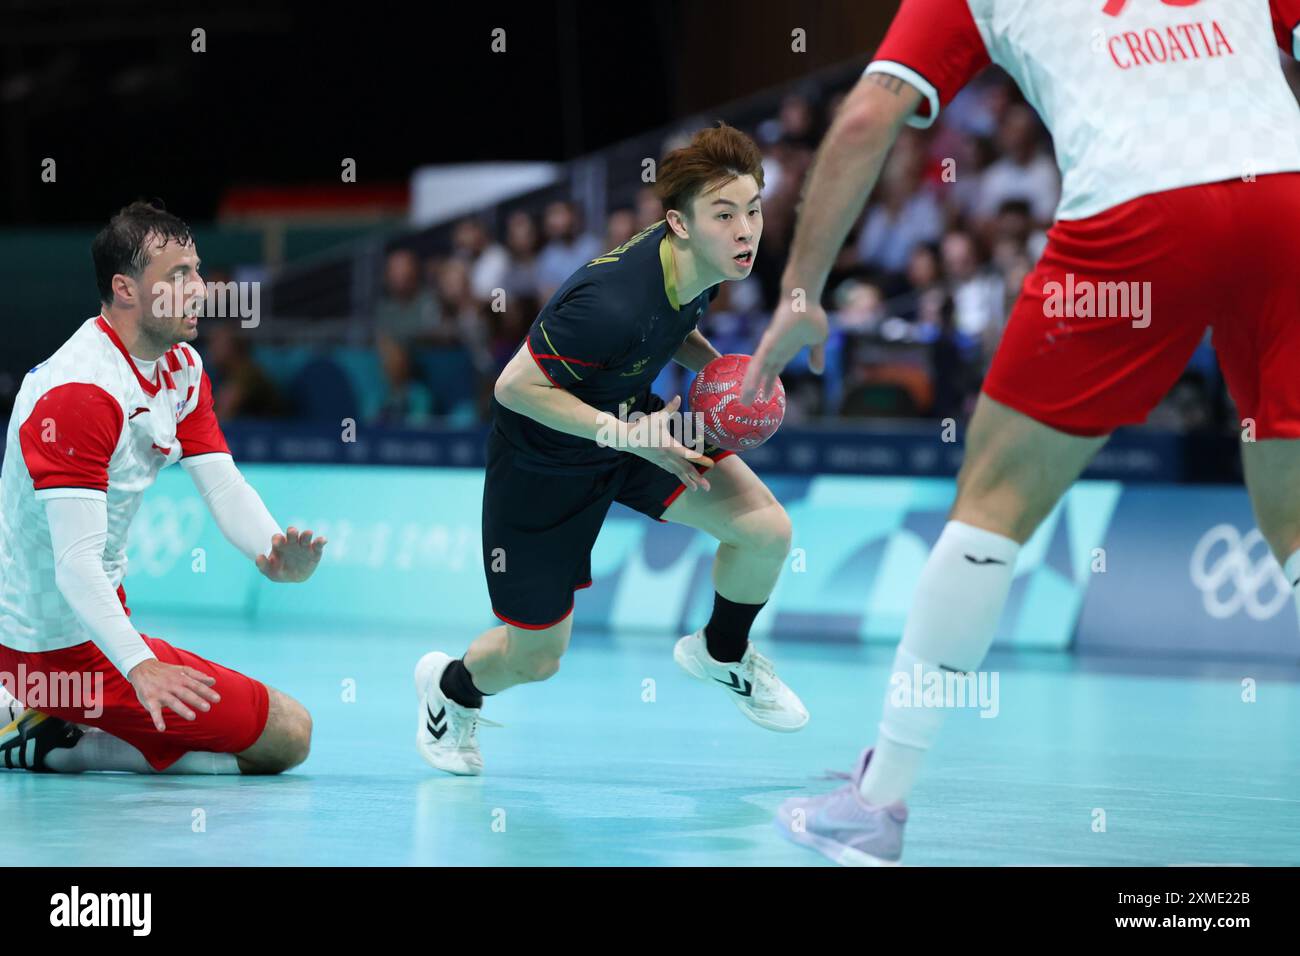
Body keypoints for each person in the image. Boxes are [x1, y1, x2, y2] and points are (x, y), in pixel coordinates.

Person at [745, 0, 1300, 865]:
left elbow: (864, 115)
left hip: (1136, 216)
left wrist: (801, 292)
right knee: (1295, 524)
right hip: (1288, 203)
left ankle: (876, 805)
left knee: (993, 506)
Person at [414, 124, 807, 776]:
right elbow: (514, 387)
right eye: (725, 214)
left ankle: (723, 651)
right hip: (544, 464)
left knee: (765, 530)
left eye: (754, 210)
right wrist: (628, 436)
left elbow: (671, 330)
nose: (746, 230)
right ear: (679, 224)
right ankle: (451, 690)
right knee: (535, 658)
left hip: (631, 424)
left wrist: (728, 381)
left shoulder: (709, 265)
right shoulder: (609, 303)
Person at [0, 200, 325, 775]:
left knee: (246, 740)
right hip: (47, 649)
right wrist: (138, 665)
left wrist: (271, 552)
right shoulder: (81, 394)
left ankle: (48, 719)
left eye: (197, 270)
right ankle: (46, 736)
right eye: (178, 276)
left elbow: (223, 487)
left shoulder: (181, 368)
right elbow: (75, 564)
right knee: (288, 736)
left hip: (99, 624)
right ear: (125, 289)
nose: (199, 288)